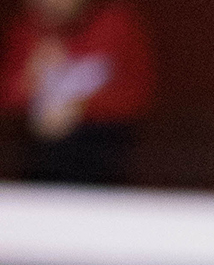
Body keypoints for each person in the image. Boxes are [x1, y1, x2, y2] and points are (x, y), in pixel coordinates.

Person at [0, 0, 155, 184]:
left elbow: (137, 95)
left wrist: (79, 108)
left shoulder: (115, 25)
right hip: (37, 160)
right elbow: (8, 97)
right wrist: (29, 79)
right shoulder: (26, 31)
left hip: (102, 154)